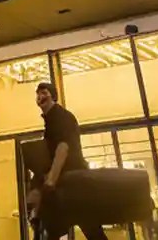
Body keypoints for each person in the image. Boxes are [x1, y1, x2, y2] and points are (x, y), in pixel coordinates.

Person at [31, 81, 109, 240]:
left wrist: (51, 179)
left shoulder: (60, 117)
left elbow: (63, 147)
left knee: (88, 228)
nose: (40, 96)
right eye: (38, 94)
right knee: (86, 228)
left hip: (72, 181)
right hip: (70, 181)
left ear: (53, 96)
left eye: (44, 93)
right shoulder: (52, 119)